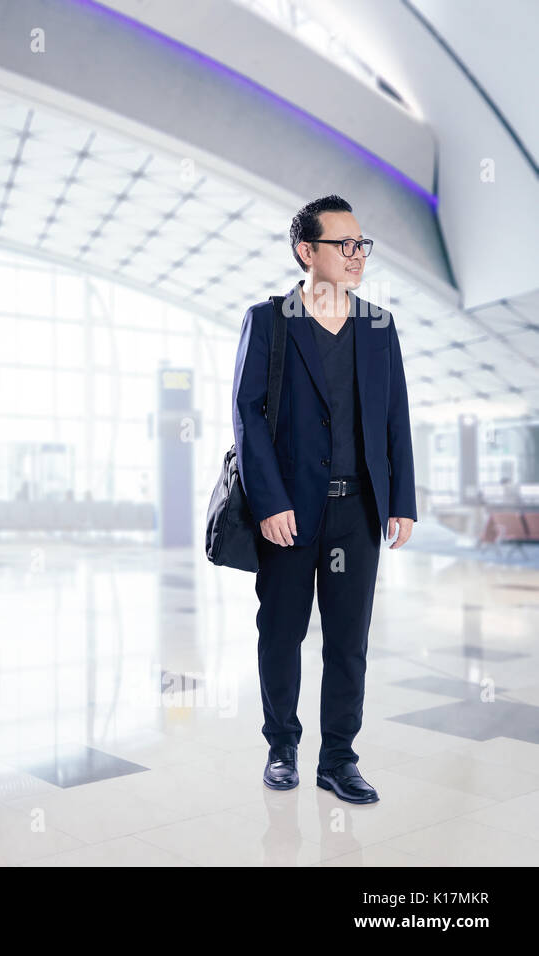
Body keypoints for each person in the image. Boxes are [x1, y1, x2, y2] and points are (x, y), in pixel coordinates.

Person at [231, 195, 416, 806]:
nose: (357, 255)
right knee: (281, 631)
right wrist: (268, 501)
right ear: (307, 251)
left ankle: (338, 758)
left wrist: (402, 500)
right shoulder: (269, 320)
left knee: (348, 640)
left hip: (358, 509)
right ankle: (281, 747)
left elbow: (396, 420)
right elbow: (247, 418)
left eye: (362, 244)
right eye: (345, 245)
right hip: (289, 510)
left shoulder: (379, 325)